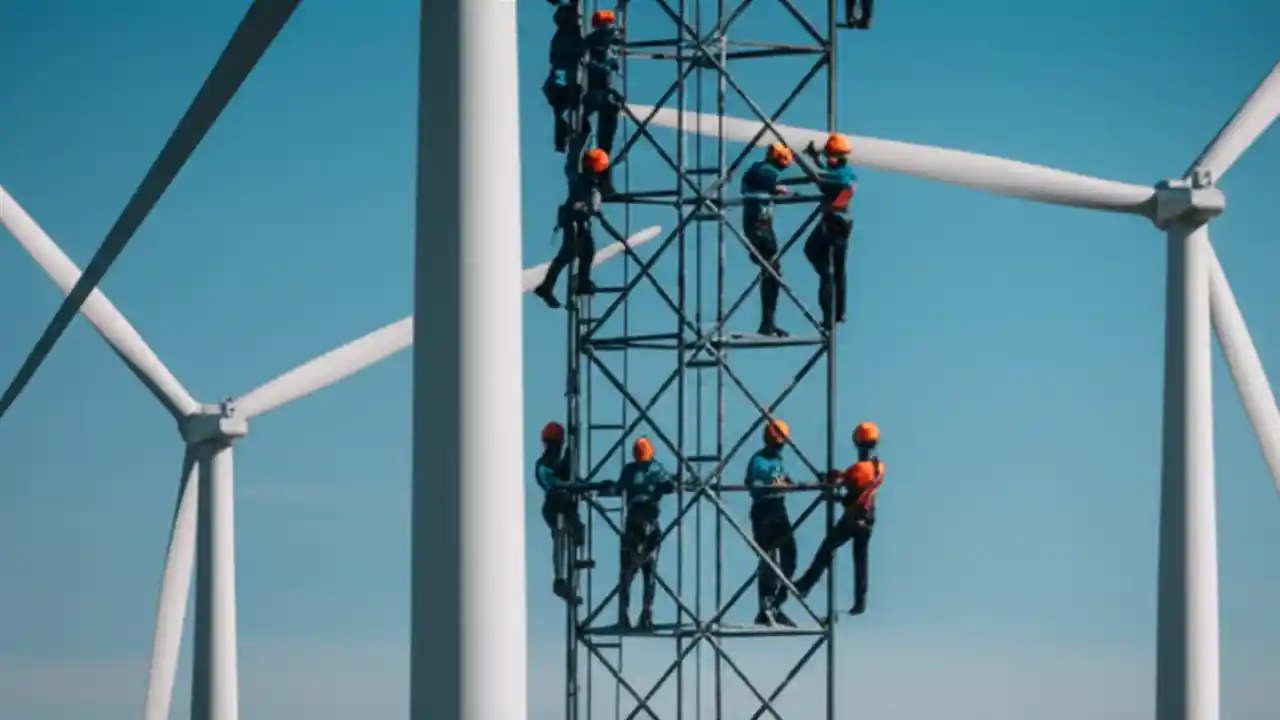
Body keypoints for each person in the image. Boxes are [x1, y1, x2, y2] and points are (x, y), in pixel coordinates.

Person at [790, 422, 884, 615]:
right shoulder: (879, 467)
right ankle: (860, 601)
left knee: (828, 547)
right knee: (861, 560)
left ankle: (806, 584)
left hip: (852, 518)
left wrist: (829, 480)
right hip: (868, 520)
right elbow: (854, 483)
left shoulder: (857, 469)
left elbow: (839, 483)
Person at [605, 437, 676, 630]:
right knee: (637, 574)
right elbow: (669, 486)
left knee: (636, 574)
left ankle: (639, 615)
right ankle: (634, 616)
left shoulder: (639, 470)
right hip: (640, 525)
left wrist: (670, 484)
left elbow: (668, 486)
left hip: (643, 524)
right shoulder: (650, 469)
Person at [534, 148, 611, 309]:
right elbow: (572, 171)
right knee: (569, 252)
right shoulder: (581, 180)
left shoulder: (589, 183)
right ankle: (546, 287)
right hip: (574, 220)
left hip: (580, 220)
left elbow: (592, 203)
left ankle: (582, 282)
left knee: (587, 251)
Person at [744, 418, 799, 627]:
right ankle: (766, 606)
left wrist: (787, 481)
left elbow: (781, 477)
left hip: (778, 508)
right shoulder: (758, 461)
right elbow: (755, 482)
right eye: (778, 444)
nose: (780, 447)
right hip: (764, 510)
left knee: (789, 556)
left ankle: (776, 603)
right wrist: (776, 483)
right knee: (768, 560)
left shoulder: (777, 460)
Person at [800, 134, 857, 329]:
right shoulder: (845, 172)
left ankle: (831, 315)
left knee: (826, 267)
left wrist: (802, 160)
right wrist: (815, 157)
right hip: (839, 223)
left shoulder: (839, 176)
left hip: (834, 224)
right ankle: (838, 313)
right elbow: (826, 171)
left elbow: (819, 176)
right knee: (837, 271)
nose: (827, 159)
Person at [740, 143, 795, 337]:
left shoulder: (756, 169)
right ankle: (768, 323)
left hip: (756, 226)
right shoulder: (766, 171)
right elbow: (767, 181)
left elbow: (751, 182)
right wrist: (778, 189)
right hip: (761, 227)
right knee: (772, 271)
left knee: (770, 270)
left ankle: (768, 322)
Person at [536, 420, 585, 604]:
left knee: (572, 532)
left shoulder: (555, 462)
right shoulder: (545, 464)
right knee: (560, 535)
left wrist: (573, 443)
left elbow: (567, 469)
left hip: (565, 505)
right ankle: (560, 580)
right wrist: (570, 486)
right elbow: (552, 481)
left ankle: (567, 576)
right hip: (555, 505)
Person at [583, 9, 625, 194]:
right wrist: (606, 66)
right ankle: (597, 178)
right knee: (593, 140)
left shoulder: (601, 47)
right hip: (592, 95)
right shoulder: (590, 47)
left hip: (600, 95)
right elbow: (589, 67)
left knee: (603, 145)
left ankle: (602, 179)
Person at [543, 3, 586, 154]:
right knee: (566, 107)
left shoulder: (561, 36)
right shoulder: (568, 36)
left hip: (561, 81)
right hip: (565, 80)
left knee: (562, 109)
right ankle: (566, 139)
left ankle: (564, 140)